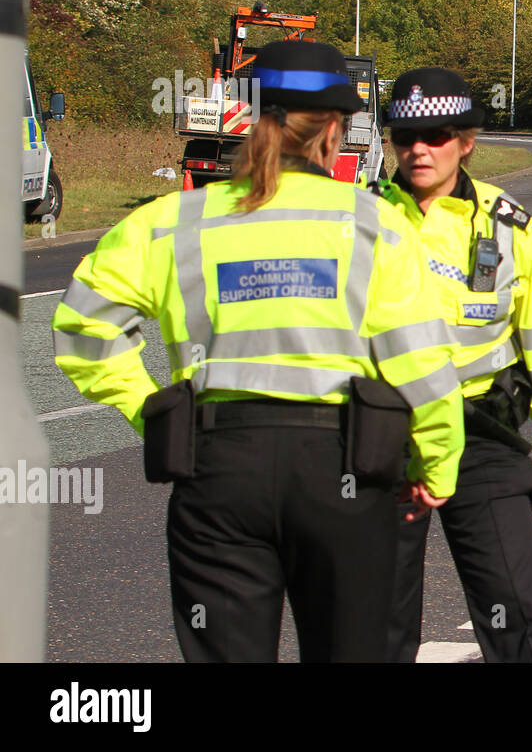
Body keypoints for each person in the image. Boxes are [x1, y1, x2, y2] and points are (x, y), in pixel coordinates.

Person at [52, 41, 465, 662]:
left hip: (218, 471)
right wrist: (437, 461)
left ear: (248, 117)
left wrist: (152, 413)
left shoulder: (172, 221)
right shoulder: (375, 224)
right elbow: (421, 364)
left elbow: (84, 331)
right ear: (335, 129)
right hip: (345, 473)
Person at [376, 67, 532, 663]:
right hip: (383, 438)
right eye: (404, 136)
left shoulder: (506, 222)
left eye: (436, 136)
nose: (418, 150)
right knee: (373, 621)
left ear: (467, 142)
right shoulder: (358, 220)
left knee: (517, 608)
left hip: (481, 434)